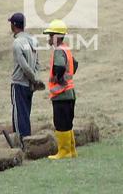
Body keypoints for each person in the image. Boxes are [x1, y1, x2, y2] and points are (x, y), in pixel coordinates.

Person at [44, 19, 78, 159]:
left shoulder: (59, 51)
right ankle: (71, 150)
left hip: (61, 94)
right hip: (70, 93)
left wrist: (59, 78)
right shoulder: (66, 49)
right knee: (68, 123)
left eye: (51, 35)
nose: (49, 38)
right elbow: (75, 64)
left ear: (56, 36)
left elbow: (60, 66)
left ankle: (63, 152)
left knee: (60, 123)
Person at [8, 13, 42, 144]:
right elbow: (37, 63)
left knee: (18, 116)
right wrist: (36, 80)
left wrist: (33, 79)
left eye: (11, 23)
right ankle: (27, 141)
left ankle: (21, 143)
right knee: (26, 114)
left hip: (19, 83)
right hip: (30, 86)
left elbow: (24, 67)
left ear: (14, 26)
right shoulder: (33, 40)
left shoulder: (17, 43)